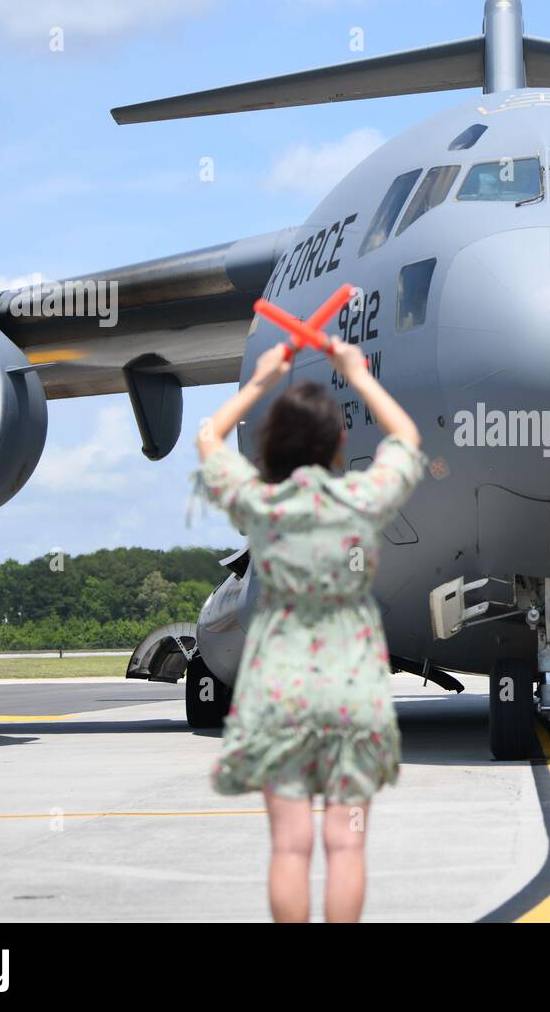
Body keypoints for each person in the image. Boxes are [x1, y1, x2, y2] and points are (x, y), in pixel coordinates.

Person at [195, 337, 424, 923]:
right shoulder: (361, 501)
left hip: (280, 693)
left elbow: (207, 441)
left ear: (270, 446)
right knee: (347, 844)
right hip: (351, 693)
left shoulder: (262, 507)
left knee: (291, 847)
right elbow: (407, 440)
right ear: (341, 444)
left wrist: (258, 382)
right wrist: (359, 374)